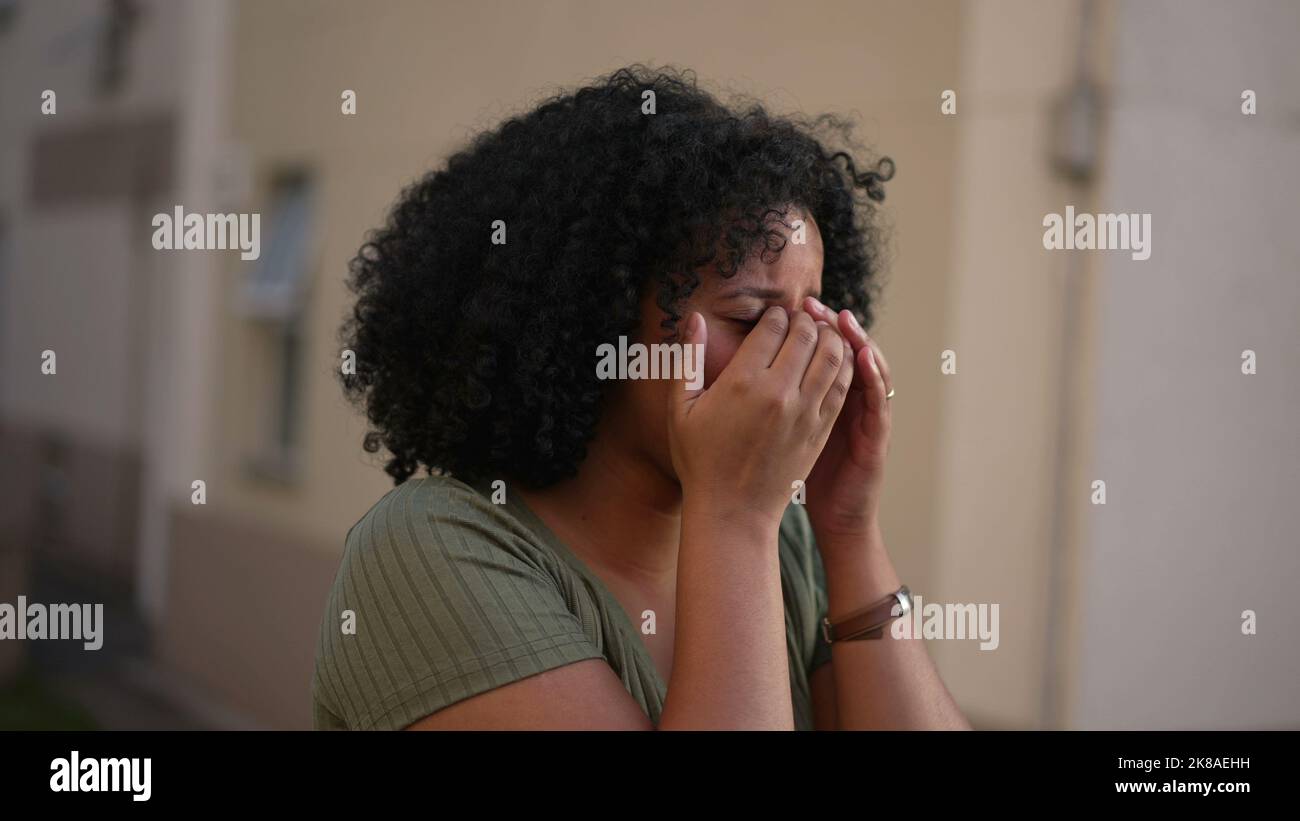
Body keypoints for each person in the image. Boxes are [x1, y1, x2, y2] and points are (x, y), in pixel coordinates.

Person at [313, 65, 969, 730]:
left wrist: (848, 527)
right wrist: (736, 515)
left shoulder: (789, 538)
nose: (805, 353)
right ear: (597, 318)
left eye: (816, 317)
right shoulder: (431, 550)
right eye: (752, 318)